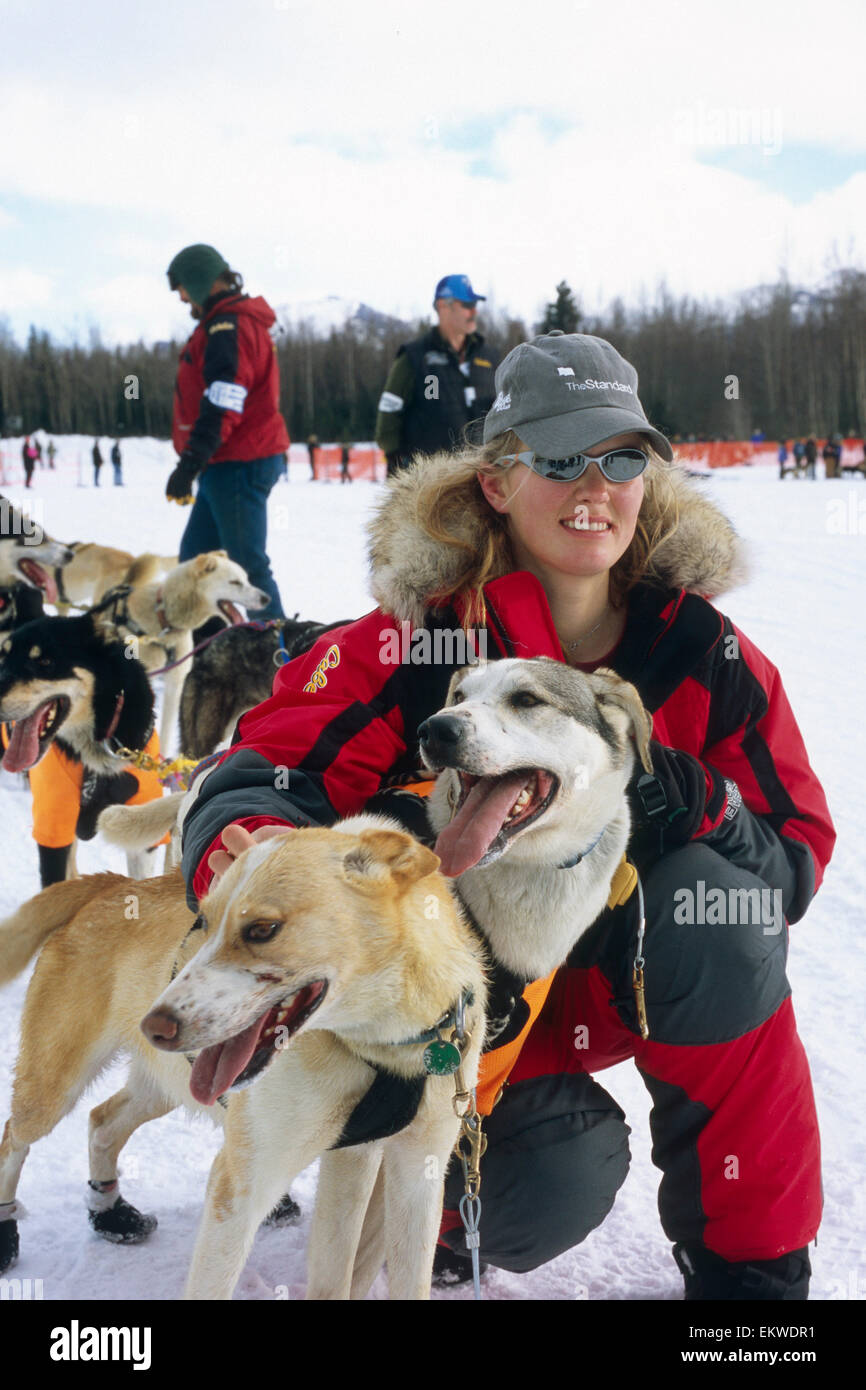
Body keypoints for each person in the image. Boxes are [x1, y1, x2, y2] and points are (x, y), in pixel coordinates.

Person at [180, 331, 834, 1301]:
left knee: (722, 911)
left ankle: (749, 1274)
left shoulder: (705, 657)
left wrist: (708, 808)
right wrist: (243, 835)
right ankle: (433, 1196)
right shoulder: (419, 640)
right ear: (495, 480)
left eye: (620, 458)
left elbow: (785, 863)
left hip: (613, 985)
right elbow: (271, 764)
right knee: (548, 1181)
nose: (593, 486)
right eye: (560, 458)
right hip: (450, 1017)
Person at [164, 243, 289, 621]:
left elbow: (224, 400)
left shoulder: (228, 326)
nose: (183, 297)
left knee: (247, 565)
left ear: (201, 281)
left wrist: (189, 463)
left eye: (183, 287)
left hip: (238, 462)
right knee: (194, 564)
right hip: (223, 464)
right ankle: (207, 652)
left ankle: (278, 659)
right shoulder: (223, 323)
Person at [375, 274, 498, 476]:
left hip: (479, 478)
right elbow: (387, 419)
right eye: (467, 305)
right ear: (443, 306)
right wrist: (401, 464)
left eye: (475, 305)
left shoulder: (489, 356)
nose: (473, 311)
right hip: (430, 482)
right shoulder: (415, 357)